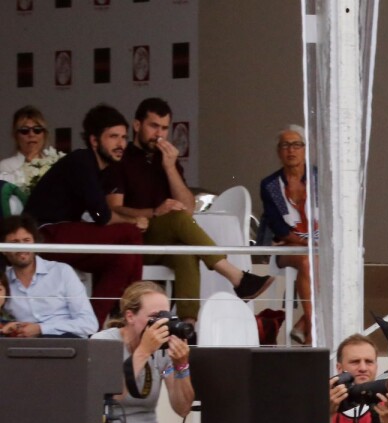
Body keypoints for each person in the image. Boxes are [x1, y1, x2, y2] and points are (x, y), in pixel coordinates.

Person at [104, 97, 272, 321]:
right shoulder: (121, 158)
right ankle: (237, 276)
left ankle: (187, 327)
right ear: (137, 126)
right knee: (175, 218)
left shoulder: (165, 159)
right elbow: (114, 207)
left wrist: (170, 167)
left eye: (164, 128)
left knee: (186, 251)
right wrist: (154, 212)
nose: (159, 134)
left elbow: (189, 207)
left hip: (161, 243)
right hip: (133, 238)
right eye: (153, 126)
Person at [25, 104, 144, 323]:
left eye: (124, 137)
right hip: (43, 234)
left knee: (123, 257)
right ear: (94, 140)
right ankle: (134, 313)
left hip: (63, 235)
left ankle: (93, 326)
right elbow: (102, 216)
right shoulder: (82, 160)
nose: (121, 144)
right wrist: (135, 221)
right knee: (130, 233)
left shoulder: (104, 169)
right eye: (113, 137)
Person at [91, 281, 194, 423]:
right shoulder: (103, 342)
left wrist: (181, 366)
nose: (162, 324)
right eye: (155, 317)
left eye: (166, 317)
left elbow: (183, 408)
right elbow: (111, 396)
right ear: (130, 316)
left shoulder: (162, 350)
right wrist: (143, 351)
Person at [1, 214, 97, 338]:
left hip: (68, 345)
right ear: (3, 248)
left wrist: (41, 329)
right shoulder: (3, 281)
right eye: (14, 242)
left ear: (36, 243)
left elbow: (89, 324)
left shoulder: (61, 271)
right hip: (24, 348)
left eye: (26, 240)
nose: (22, 247)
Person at [260, 125, 314, 345]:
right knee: (307, 259)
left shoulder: (320, 179)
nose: (291, 150)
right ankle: (312, 326)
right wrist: (306, 242)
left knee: (316, 259)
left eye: (297, 145)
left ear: (305, 149)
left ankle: (304, 324)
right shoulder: (270, 185)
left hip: (319, 248)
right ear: (278, 152)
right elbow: (278, 227)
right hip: (287, 248)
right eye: (285, 145)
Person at [328, 333, 388, 423]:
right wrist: (324, 417)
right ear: (339, 368)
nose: (363, 368)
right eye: (355, 362)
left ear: (376, 366)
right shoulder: (327, 407)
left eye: (369, 362)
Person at [0, 105, 61, 189]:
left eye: (37, 130)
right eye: (24, 130)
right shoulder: (5, 166)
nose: (31, 134)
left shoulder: (56, 164)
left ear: (44, 134)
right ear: (16, 135)